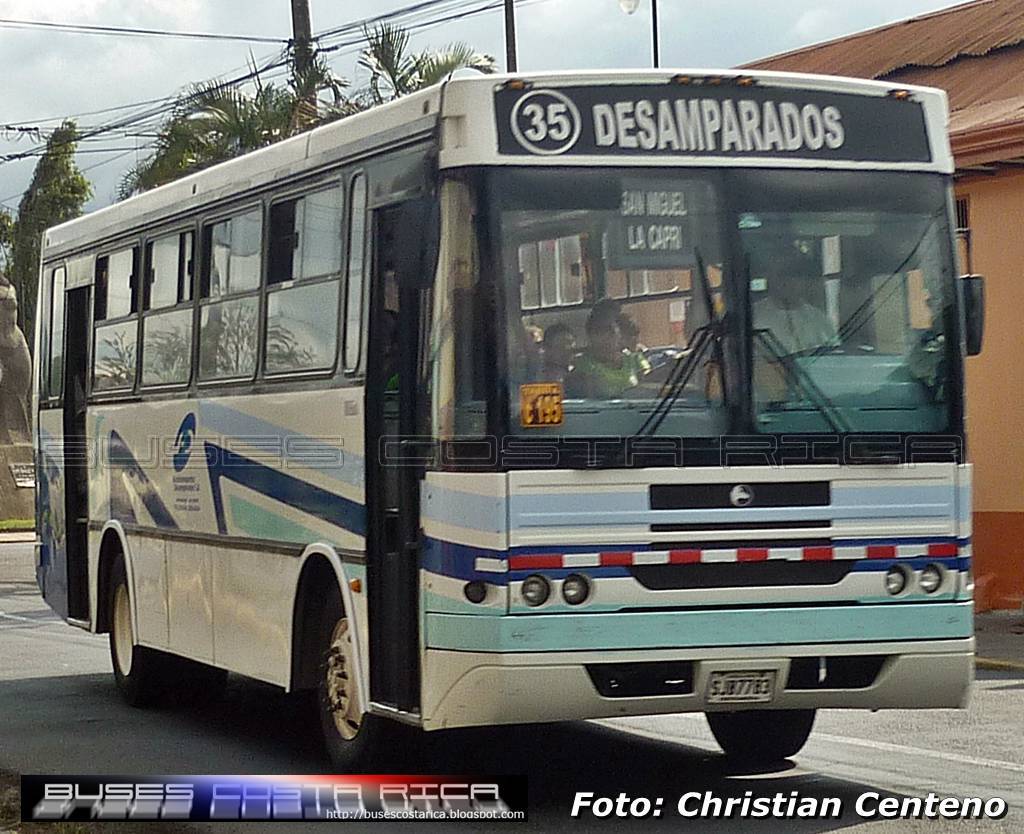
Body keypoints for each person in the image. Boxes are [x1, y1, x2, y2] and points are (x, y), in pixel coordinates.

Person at [567, 300, 648, 398]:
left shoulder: (634, 359)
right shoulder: (583, 365)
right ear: (589, 336)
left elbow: (649, 389)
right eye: (598, 332)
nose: (605, 338)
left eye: (610, 331)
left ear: (620, 334)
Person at [753, 266, 839, 357]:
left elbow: (833, 354)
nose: (788, 282)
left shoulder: (818, 319)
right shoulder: (753, 315)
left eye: (794, 276)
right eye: (782, 276)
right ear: (770, 279)